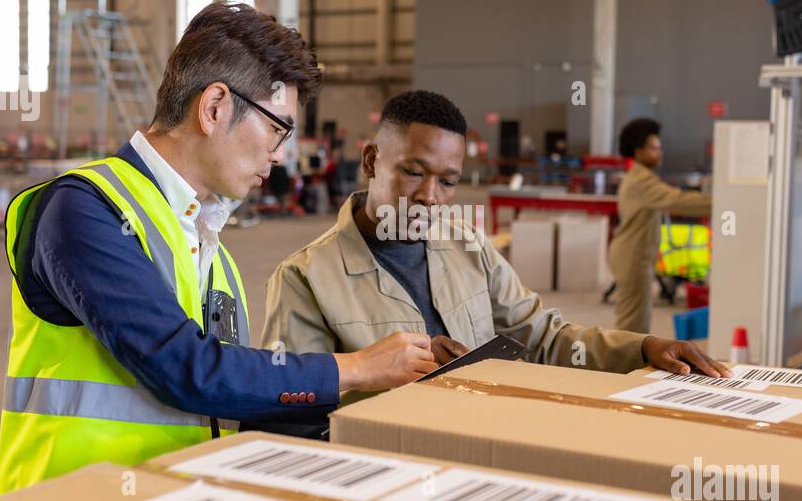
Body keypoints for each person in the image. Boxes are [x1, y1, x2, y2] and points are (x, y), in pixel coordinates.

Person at [0, 3, 435, 493]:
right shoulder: (83, 209)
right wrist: (354, 368)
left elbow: (226, 393)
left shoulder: (210, 249)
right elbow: (185, 369)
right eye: (278, 128)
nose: (281, 153)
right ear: (214, 108)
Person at [262, 90, 726, 433]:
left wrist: (642, 348)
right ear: (371, 160)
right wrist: (401, 384)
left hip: (484, 445)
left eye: (447, 182)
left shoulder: (469, 247)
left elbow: (545, 337)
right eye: (413, 172)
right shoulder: (306, 279)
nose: (429, 197)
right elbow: (292, 422)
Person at [608, 118, 712, 334]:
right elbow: (677, 200)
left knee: (637, 321)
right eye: (654, 148)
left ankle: (629, 362)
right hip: (632, 257)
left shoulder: (640, 176)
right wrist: (725, 200)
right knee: (632, 326)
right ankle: (624, 366)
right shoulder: (641, 180)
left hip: (634, 255)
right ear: (638, 151)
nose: (660, 153)